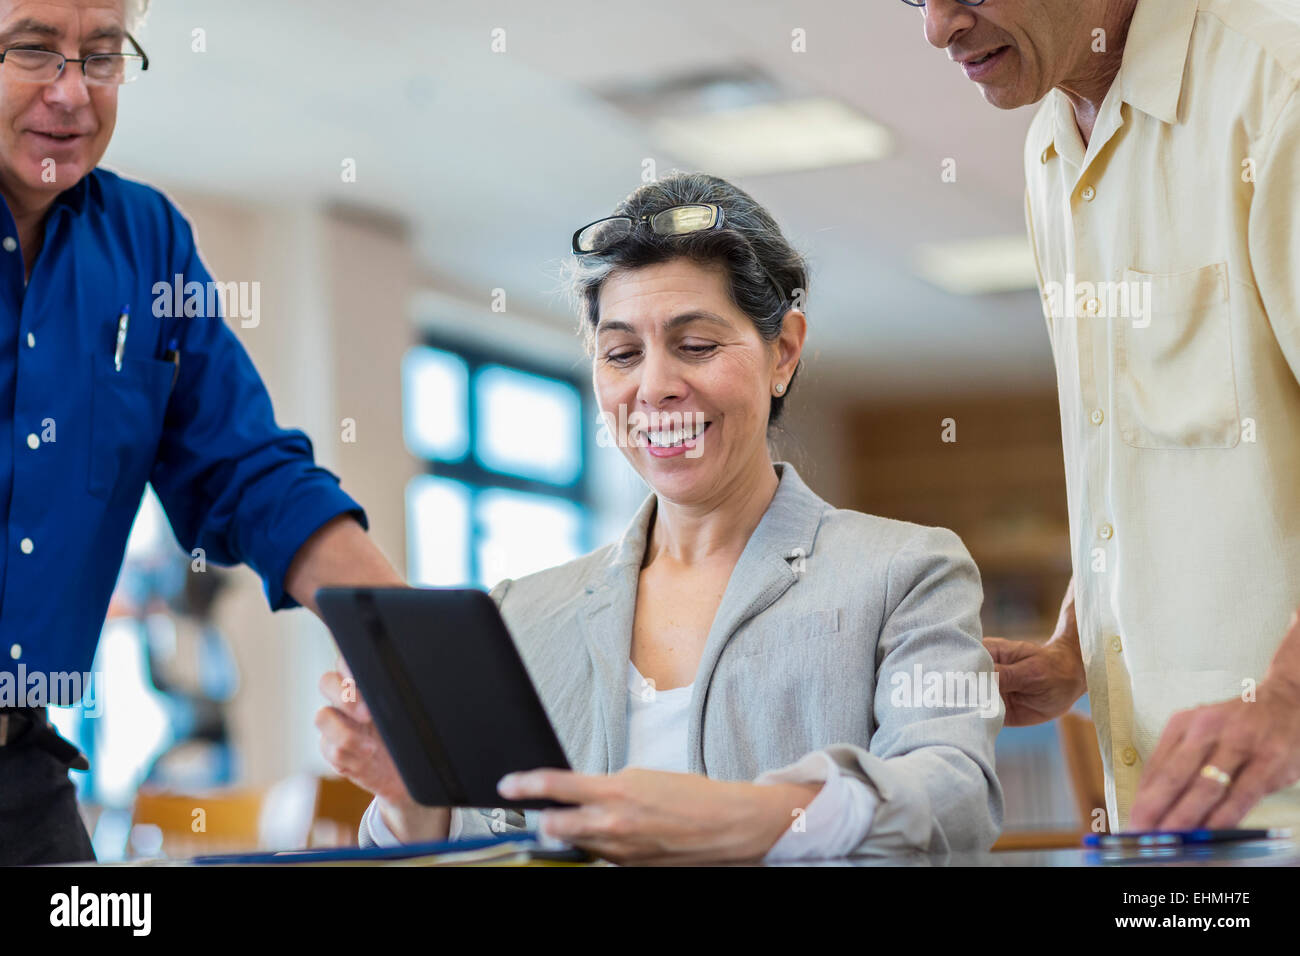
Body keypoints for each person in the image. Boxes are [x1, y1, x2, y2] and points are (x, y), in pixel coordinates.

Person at [317, 172, 1003, 864]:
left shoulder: (905, 573)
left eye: (696, 345)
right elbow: (490, 842)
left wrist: (750, 817)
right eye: (621, 354)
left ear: (784, 352)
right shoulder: (521, 615)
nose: (654, 387)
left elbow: (956, 798)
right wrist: (414, 804)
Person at [0, 0, 403, 866]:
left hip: (18, 769)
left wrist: (404, 639)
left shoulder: (146, 244)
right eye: (32, 49)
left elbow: (245, 469)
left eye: (102, 54)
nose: (72, 93)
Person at [910, 0, 1300, 830]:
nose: (938, 28)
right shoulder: (1050, 149)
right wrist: (1076, 647)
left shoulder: (1277, 84)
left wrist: (1287, 699)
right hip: (1167, 820)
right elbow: (1135, 455)